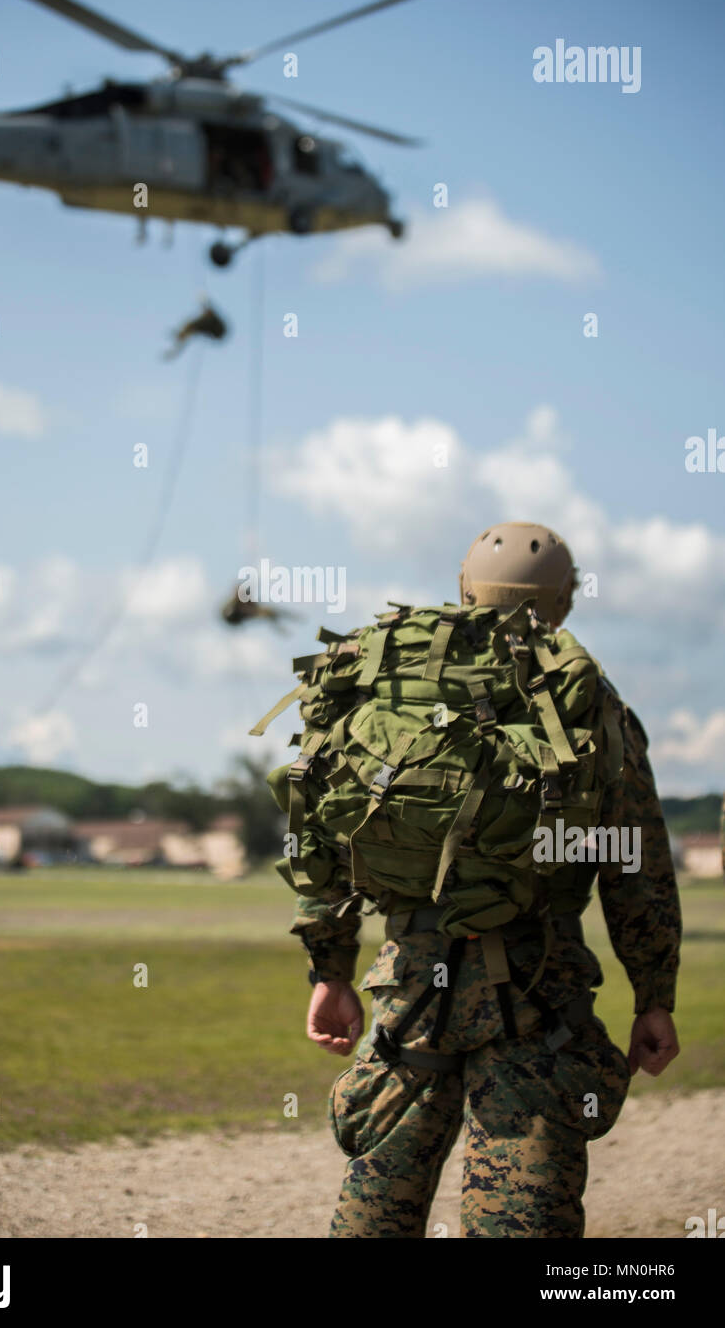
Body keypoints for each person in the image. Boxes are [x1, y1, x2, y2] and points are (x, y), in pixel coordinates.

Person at [289, 522, 681, 1238]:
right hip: (538, 998)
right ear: (564, 600)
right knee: (521, 1220)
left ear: (463, 587)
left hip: (410, 988)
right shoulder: (591, 703)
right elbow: (635, 866)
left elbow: (322, 829)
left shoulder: (388, 682)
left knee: (378, 1206)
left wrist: (329, 968)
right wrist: (654, 995)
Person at [162, 297, 228, 362]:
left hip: (217, 330)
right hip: (217, 330)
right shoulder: (196, 324)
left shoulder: (194, 325)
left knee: (189, 327)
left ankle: (177, 344)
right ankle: (176, 345)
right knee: (189, 327)